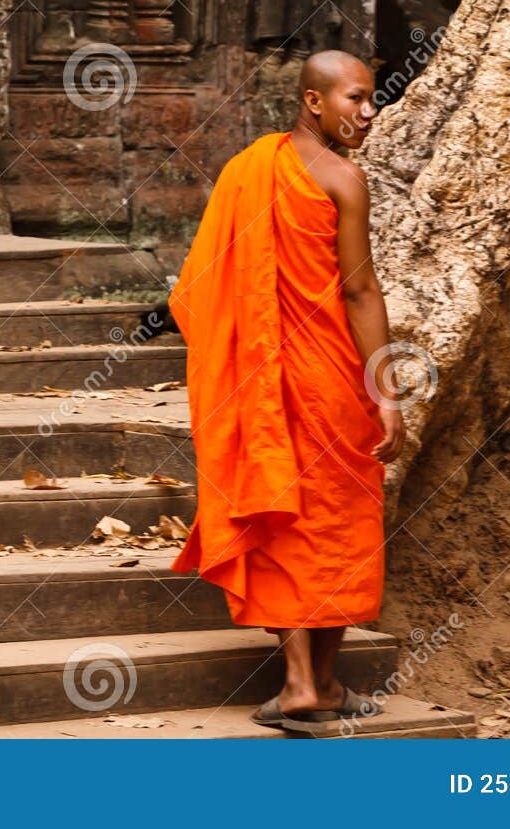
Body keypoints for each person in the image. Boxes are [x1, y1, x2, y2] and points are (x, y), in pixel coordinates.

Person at [168, 49, 405, 733]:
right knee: (334, 520)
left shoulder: (246, 169)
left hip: (267, 379)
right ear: (313, 101)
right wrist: (386, 390)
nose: (369, 111)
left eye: (372, 98)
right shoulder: (342, 178)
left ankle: (317, 682)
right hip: (330, 378)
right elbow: (360, 290)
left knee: (288, 520)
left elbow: (201, 284)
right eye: (356, 98)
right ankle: (306, 683)